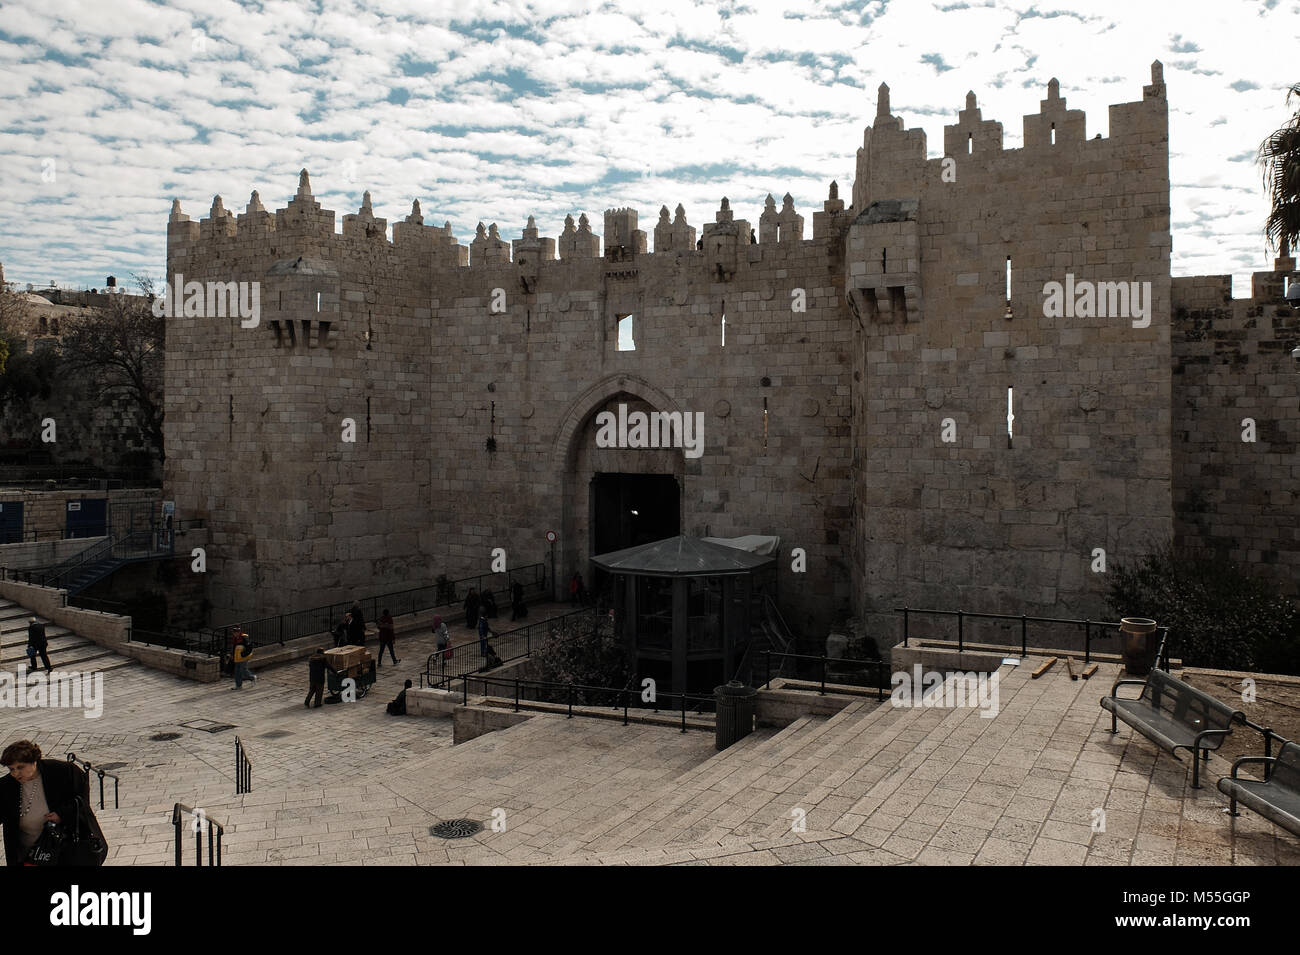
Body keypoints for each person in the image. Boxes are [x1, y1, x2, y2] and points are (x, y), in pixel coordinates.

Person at [1, 740, 107, 867]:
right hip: (30, 856)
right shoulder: (6, 786)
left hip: (66, 850)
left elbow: (81, 800)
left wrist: (62, 814)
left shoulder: (62, 771)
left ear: (34, 761)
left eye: (20, 767)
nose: (15, 773)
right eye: (11, 769)